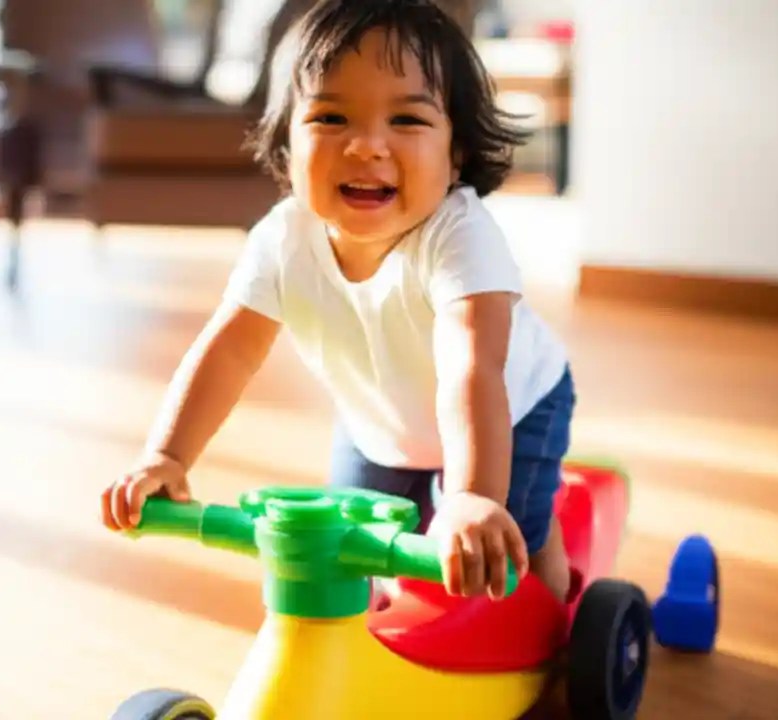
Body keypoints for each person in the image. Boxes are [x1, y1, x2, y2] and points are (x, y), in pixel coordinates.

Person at [101, 0, 574, 602]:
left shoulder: (461, 238)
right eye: (330, 118)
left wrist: (473, 496)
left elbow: (471, 369)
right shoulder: (282, 237)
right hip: (378, 422)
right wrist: (165, 456)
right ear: (286, 145)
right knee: (351, 548)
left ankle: (559, 618)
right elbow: (228, 353)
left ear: (456, 152)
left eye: (406, 121)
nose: (366, 146)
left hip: (513, 410)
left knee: (511, 545)